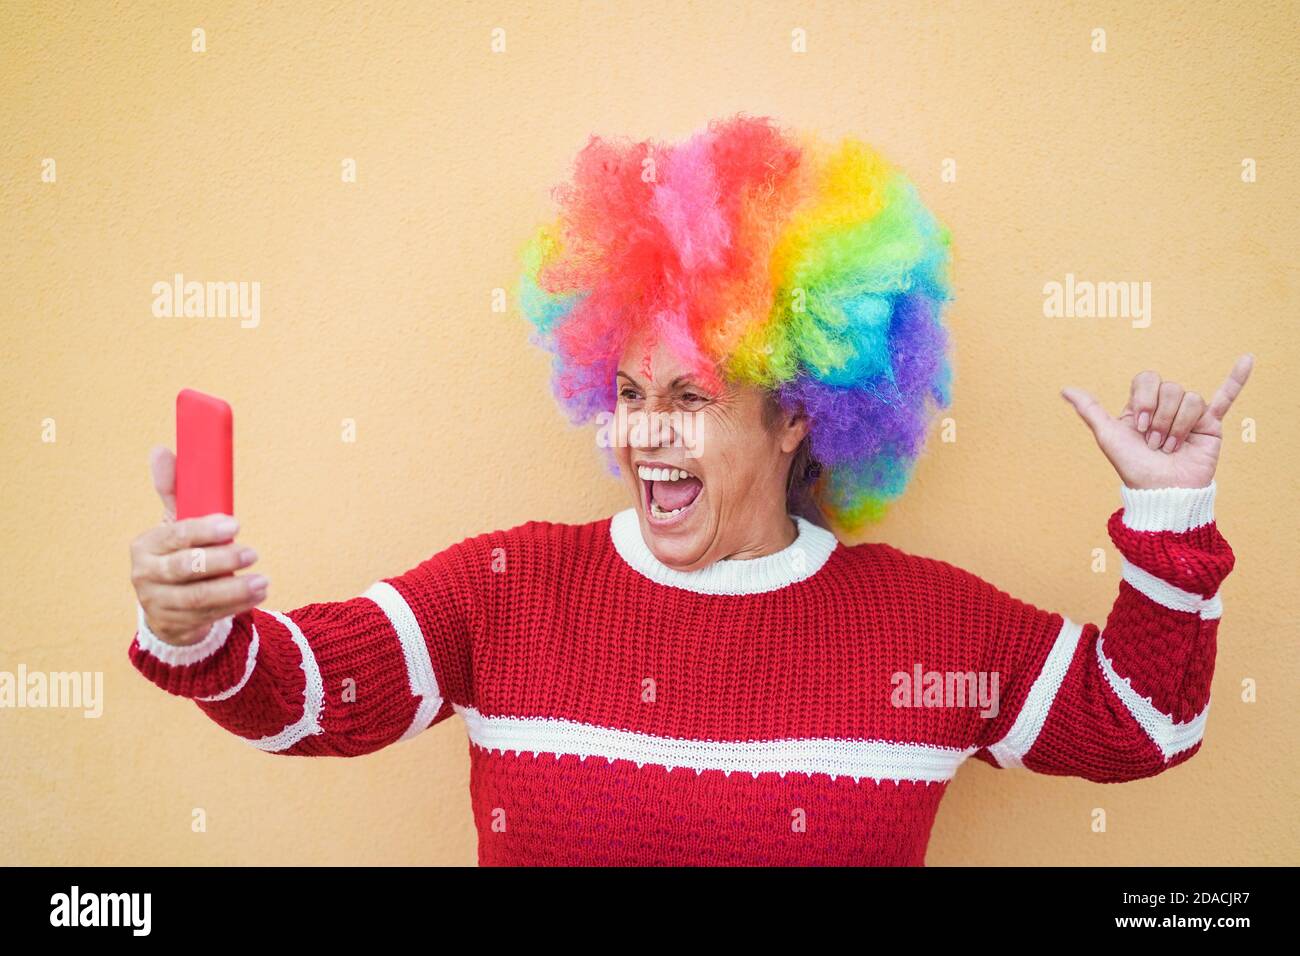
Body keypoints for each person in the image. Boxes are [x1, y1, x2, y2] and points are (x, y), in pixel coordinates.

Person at [127, 115, 1249, 865]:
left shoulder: (924, 629)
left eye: (690, 395)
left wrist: (1167, 512)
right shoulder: (508, 588)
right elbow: (308, 693)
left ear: (799, 411)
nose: (640, 431)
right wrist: (195, 629)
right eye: (624, 389)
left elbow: (1140, 725)